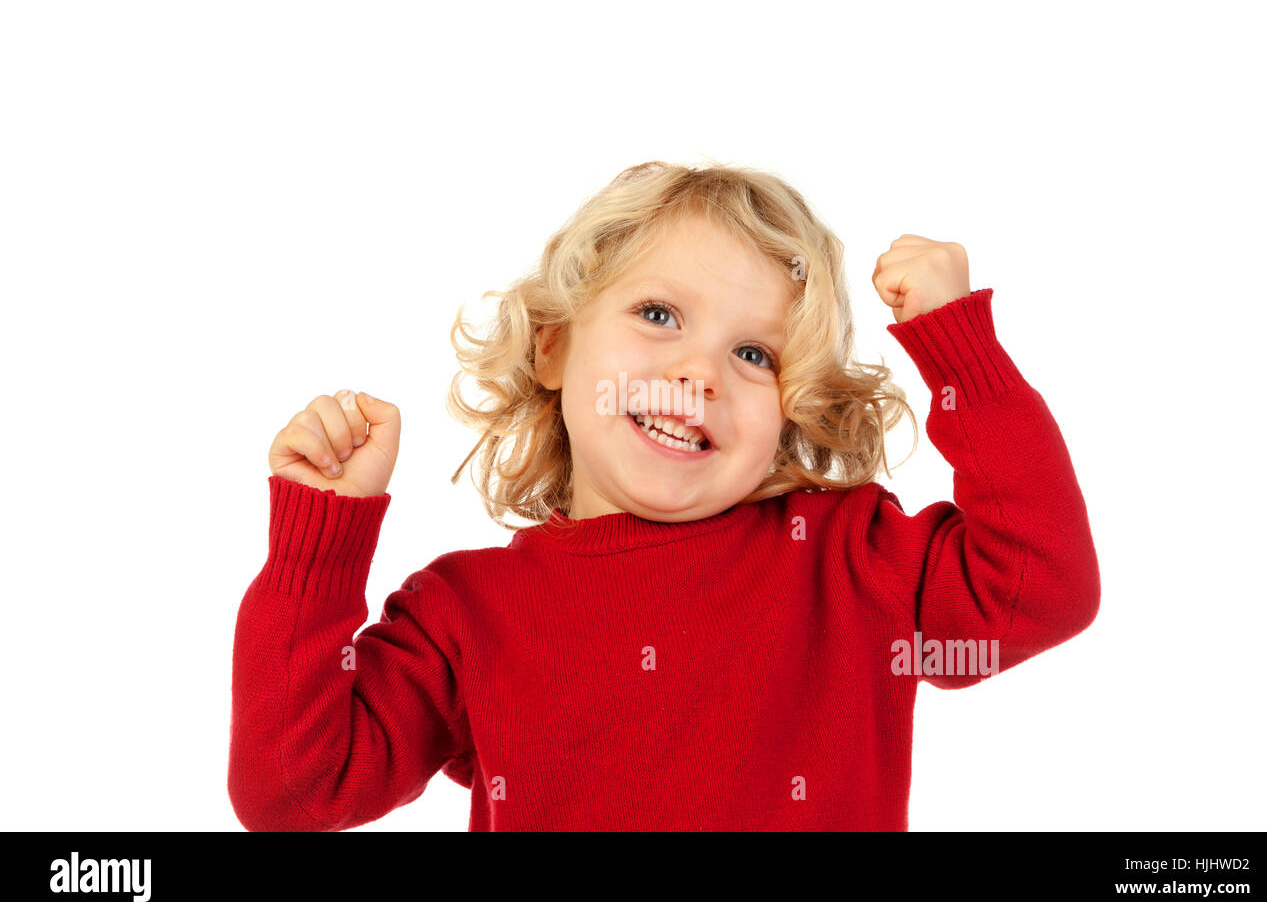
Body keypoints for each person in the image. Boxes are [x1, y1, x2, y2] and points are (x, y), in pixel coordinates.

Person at [227, 160, 1100, 831]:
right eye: (658, 314)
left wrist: (960, 350)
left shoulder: (847, 556)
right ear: (554, 347)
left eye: (754, 355)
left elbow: (1041, 583)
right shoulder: (465, 611)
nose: (699, 373)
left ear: (790, 411)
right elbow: (293, 786)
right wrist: (319, 547)